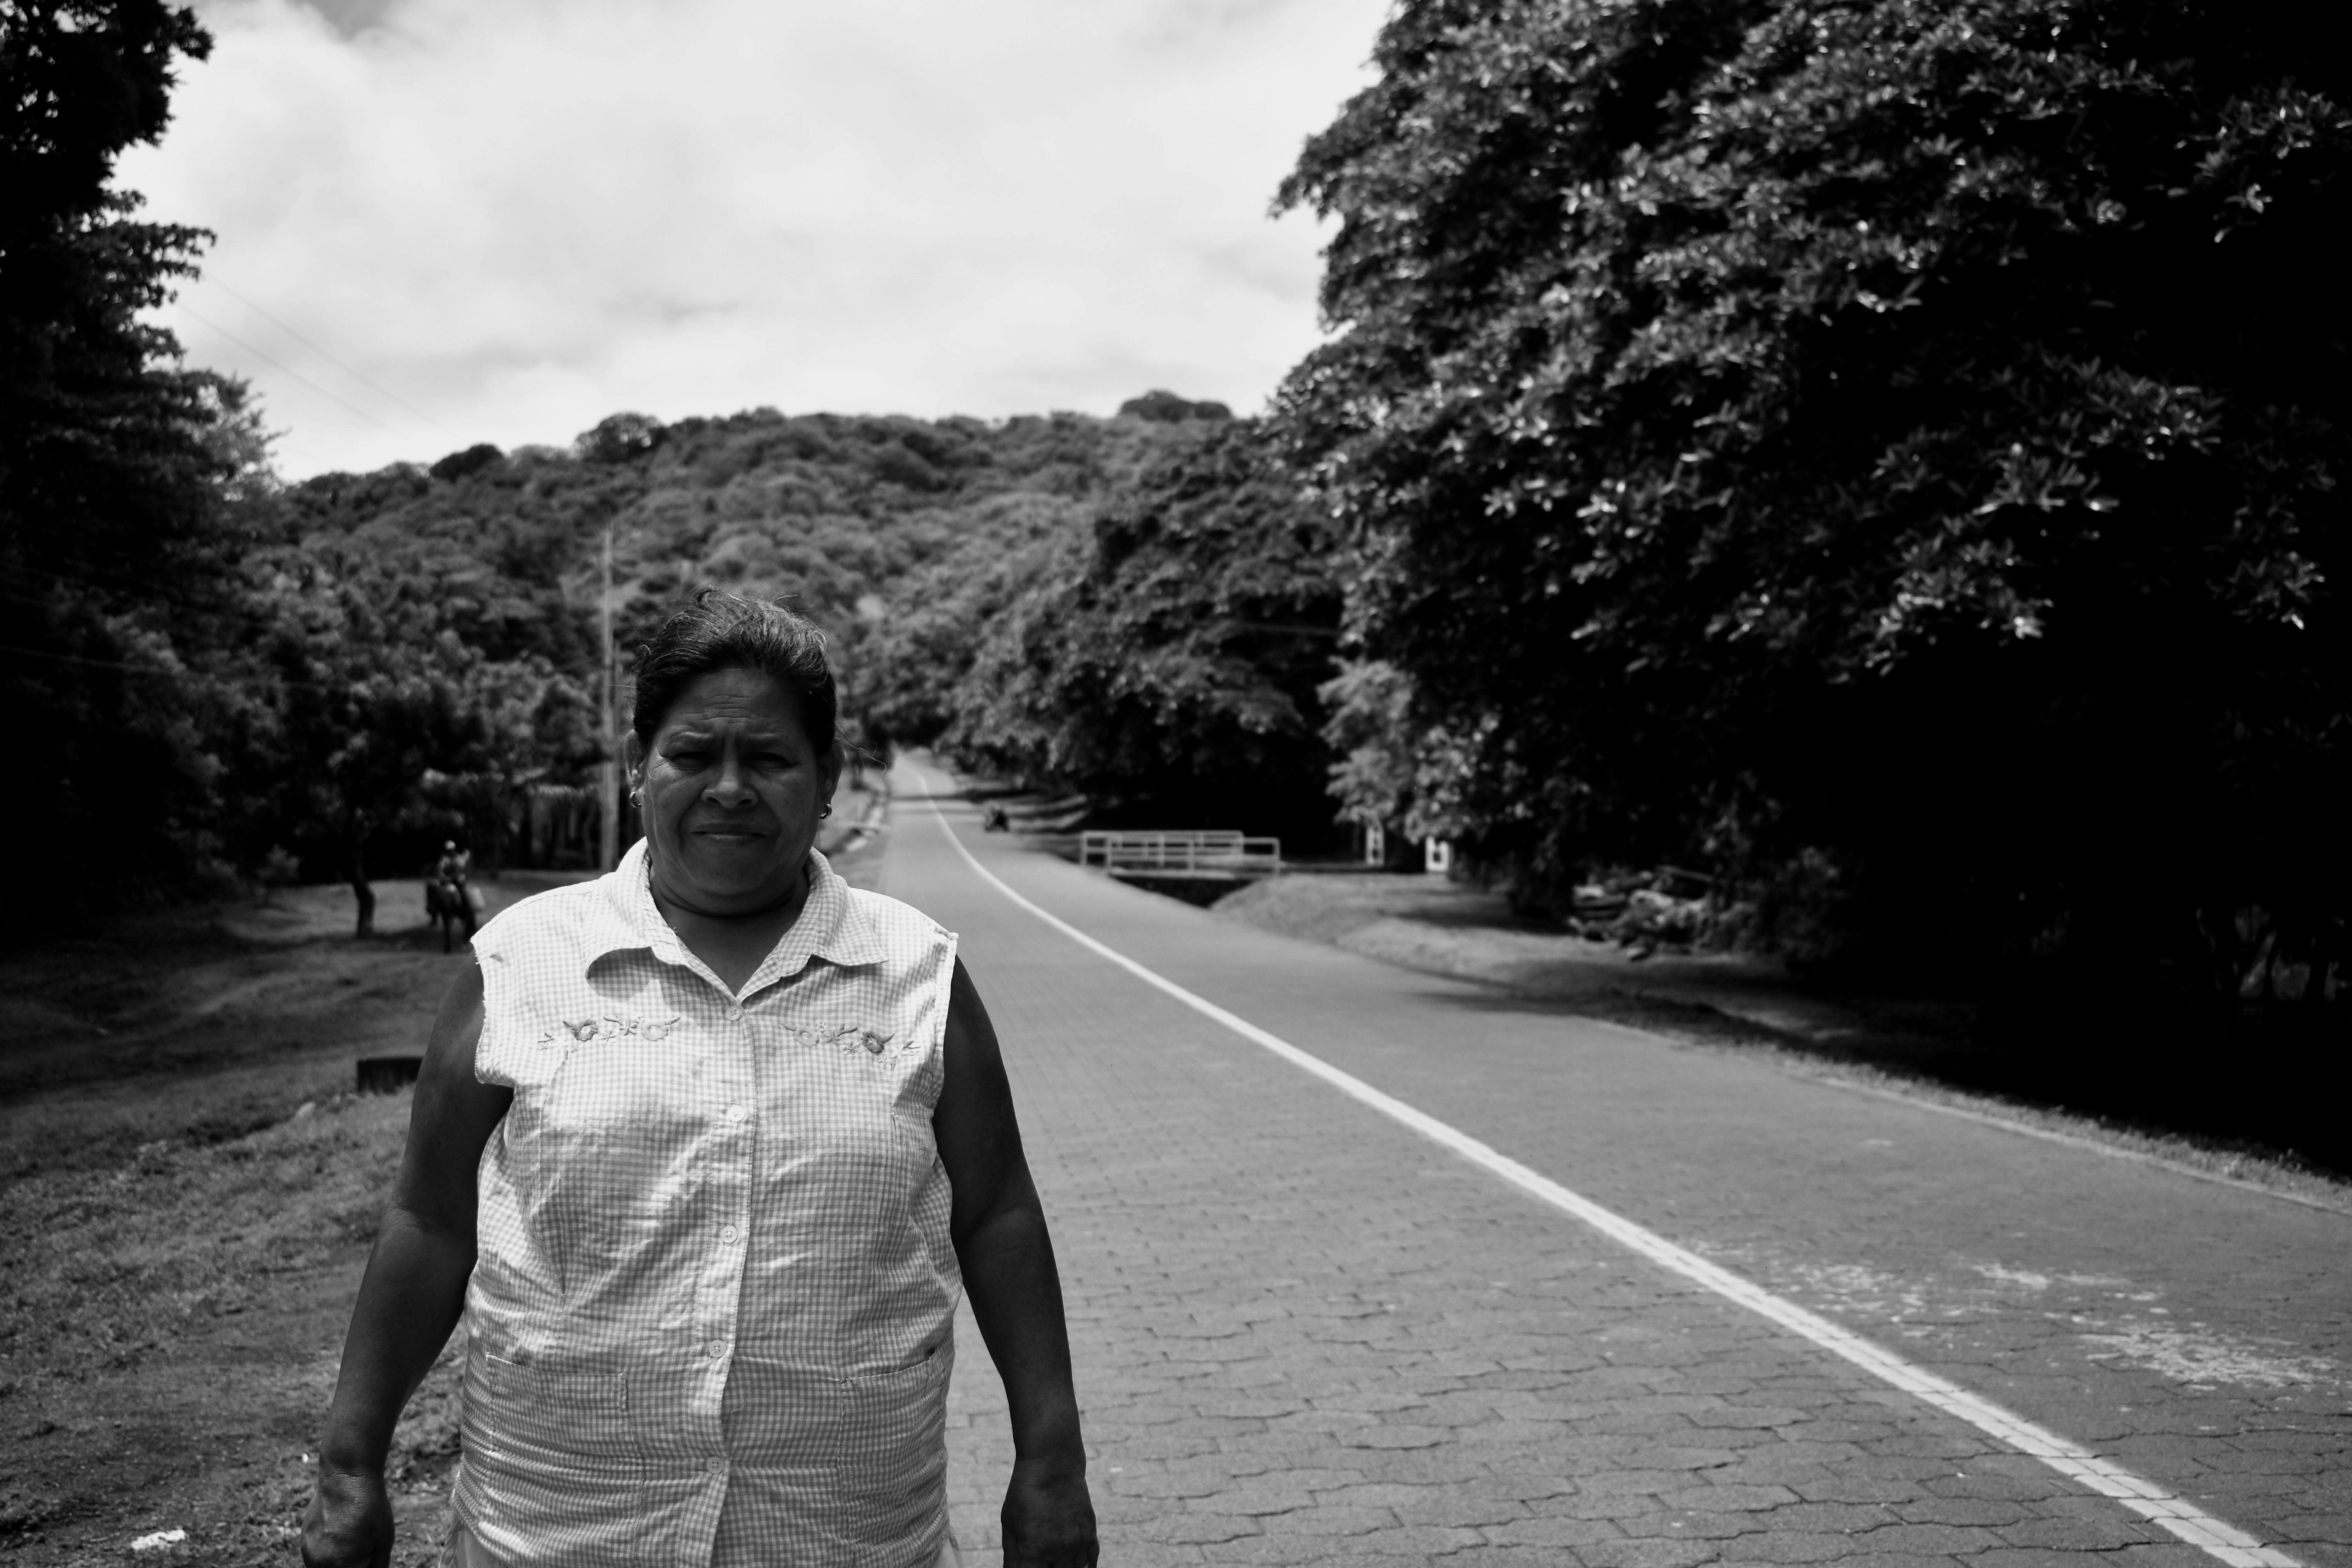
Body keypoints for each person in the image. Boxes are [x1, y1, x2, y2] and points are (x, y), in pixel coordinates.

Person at [302, 590, 1098, 1568]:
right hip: (556, 1529)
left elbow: (998, 1213)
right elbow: (429, 1221)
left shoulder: (918, 974)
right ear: (640, 765)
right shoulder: (521, 961)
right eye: (692, 753)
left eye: (768, 757)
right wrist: (351, 1463)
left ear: (827, 777)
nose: (729, 787)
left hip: (838, 1531)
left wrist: (1051, 1461)